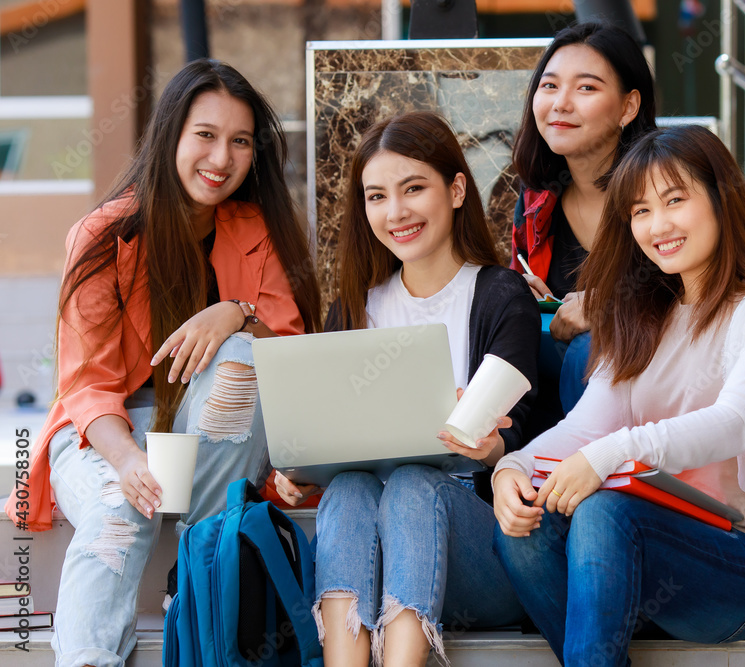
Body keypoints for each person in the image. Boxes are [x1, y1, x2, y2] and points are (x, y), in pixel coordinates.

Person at [5, 59, 321, 667]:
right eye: (205, 135)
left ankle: (200, 568)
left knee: (239, 354)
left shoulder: (261, 229)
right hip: (106, 431)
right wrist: (127, 461)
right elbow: (87, 384)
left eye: (240, 142)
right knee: (118, 510)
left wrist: (236, 312)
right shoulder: (102, 235)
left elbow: (289, 353)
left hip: (216, 433)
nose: (221, 158)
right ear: (171, 133)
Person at [493, 125, 745, 665]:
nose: (658, 225)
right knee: (524, 522)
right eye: (640, 211)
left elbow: (734, 421)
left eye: (675, 200)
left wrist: (607, 456)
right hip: (629, 570)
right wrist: (513, 465)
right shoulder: (639, 314)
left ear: (722, 199)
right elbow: (586, 424)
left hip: (740, 567)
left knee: (605, 510)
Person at [273, 112, 539, 667]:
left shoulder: (499, 295)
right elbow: (333, 436)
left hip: (478, 553)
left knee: (415, 484)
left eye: (414, 188)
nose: (395, 213)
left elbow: (529, 442)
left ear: (457, 189)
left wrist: (490, 446)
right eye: (376, 196)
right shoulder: (354, 307)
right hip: (373, 549)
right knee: (346, 487)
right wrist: (298, 468)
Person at [509, 21, 657, 426]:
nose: (561, 103)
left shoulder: (663, 191)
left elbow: (702, 296)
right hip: (555, 404)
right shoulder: (536, 202)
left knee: (589, 346)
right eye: (550, 86)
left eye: (586, 88)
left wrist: (610, 305)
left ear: (628, 107)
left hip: (647, 407)